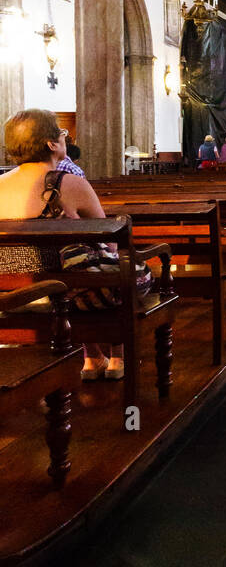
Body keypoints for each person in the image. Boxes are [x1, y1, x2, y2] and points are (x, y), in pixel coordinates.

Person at [0, 109, 125, 379]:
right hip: (70, 296)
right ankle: (115, 357)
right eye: (61, 132)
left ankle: (93, 357)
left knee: (70, 274)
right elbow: (110, 242)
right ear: (51, 144)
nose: (64, 136)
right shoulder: (70, 184)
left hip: (12, 298)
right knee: (109, 267)